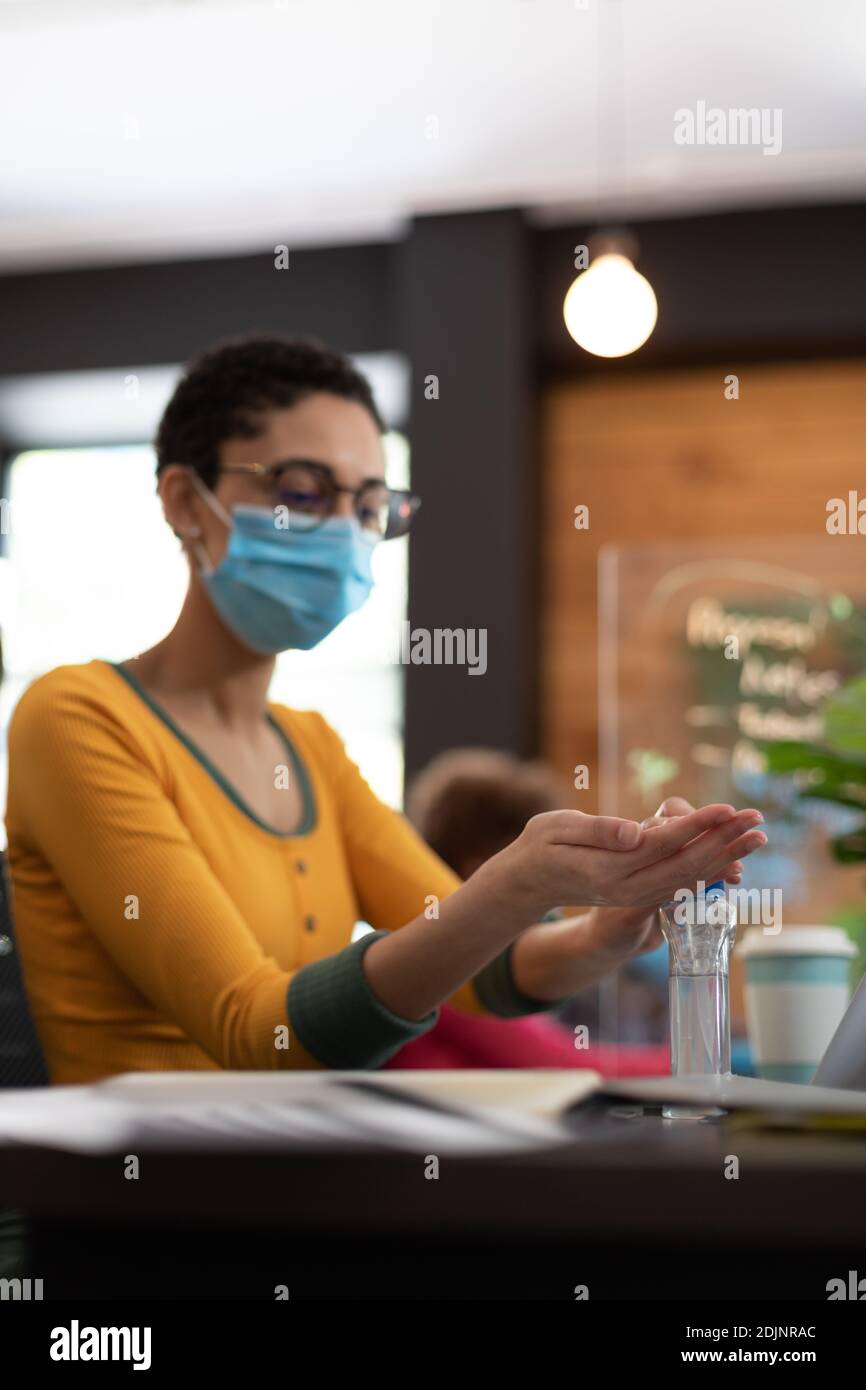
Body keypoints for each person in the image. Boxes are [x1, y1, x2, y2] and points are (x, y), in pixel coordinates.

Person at [5, 335, 766, 1084]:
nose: (342, 529)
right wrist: (516, 884)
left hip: (305, 1180)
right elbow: (254, 1030)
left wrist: (605, 929)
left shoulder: (310, 748)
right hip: (141, 1196)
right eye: (302, 493)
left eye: (369, 505)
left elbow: (481, 968)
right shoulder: (76, 717)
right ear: (183, 501)